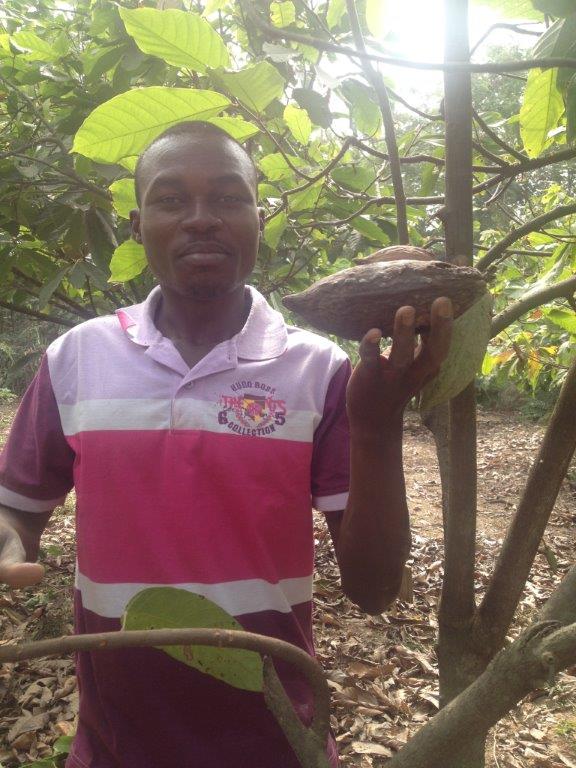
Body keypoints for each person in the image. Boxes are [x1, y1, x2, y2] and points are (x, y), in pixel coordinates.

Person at [0, 121, 452, 768]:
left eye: (228, 198)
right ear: (135, 224)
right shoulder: (76, 358)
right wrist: (9, 540)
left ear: (261, 218)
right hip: (114, 749)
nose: (201, 219)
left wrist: (379, 427)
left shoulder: (318, 371)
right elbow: (17, 506)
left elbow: (375, 590)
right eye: (171, 199)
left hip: (276, 743)